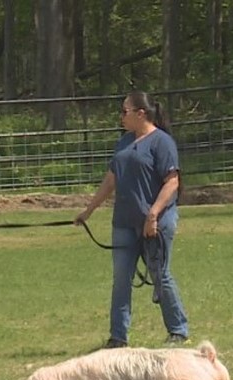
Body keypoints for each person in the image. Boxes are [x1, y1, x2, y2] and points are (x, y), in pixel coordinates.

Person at [75, 90, 190, 349]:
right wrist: (89, 210)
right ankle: (118, 337)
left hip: (156, 222)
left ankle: (178, 330)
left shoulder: (162, 142)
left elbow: (172, 182)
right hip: (125, 221)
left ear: (141, 114)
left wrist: (153, 214)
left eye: (124, 111)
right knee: (121, 277)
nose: (121, 116)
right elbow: (111, 179)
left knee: (160, 273)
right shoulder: (124, 142)